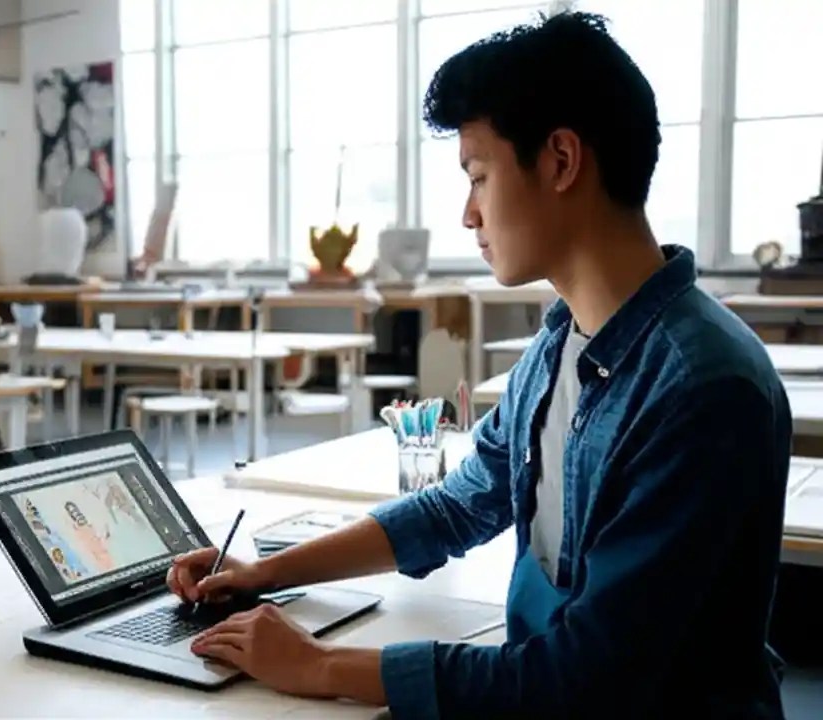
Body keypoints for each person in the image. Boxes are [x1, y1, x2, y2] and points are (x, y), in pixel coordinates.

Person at [168, 11, 790, 719]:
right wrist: (263, 574)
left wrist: (320, 665)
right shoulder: (559, 347)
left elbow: (589, 679)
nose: (469, 214)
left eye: (479, 176)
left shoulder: (702, 388)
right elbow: (457, 505)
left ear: (561, 160)